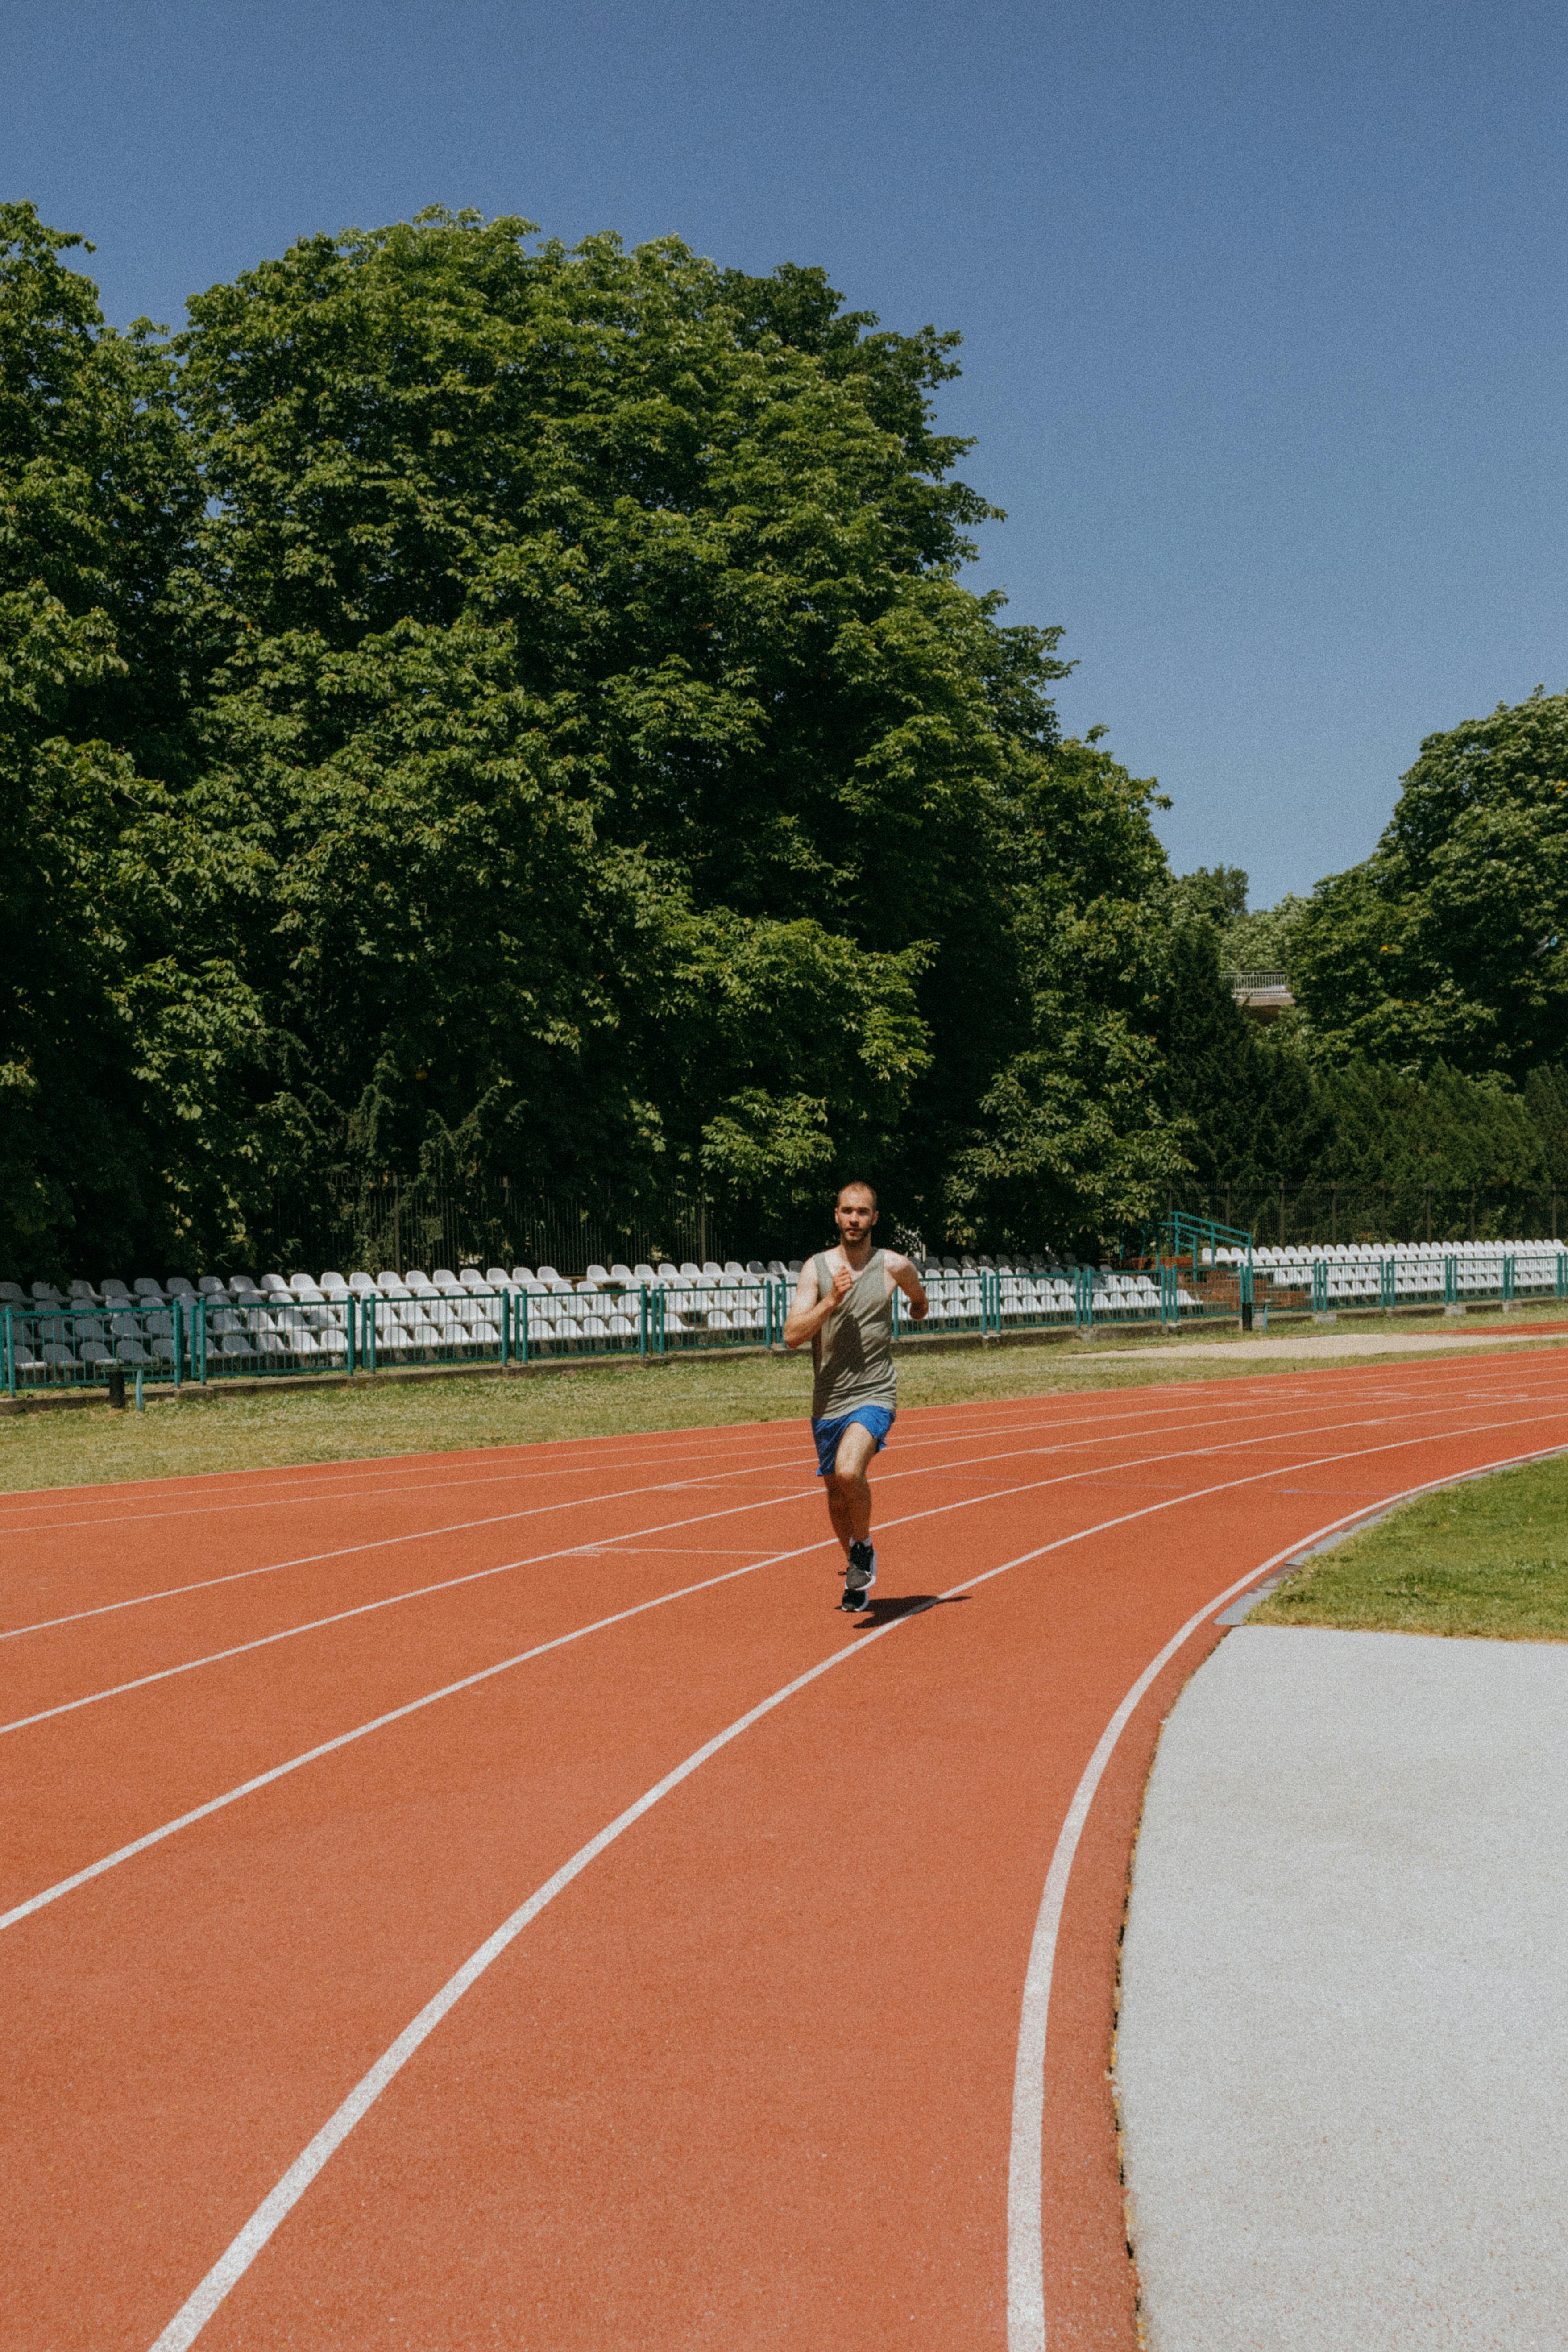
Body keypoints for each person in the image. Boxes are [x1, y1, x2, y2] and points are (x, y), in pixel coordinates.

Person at [783, 1180, 929, 1610]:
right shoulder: (817, 1268)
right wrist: (831, 1300)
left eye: (862, 1212)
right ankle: (855, 1570)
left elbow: (918, 1299)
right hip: (828, 1399)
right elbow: (792, 1335)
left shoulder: (894, 1266)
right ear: (836, 1215)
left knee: (849, 1473)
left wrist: (917, 1307)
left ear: (874, 1218)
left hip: (875, 1392)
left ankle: (863, 1547)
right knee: (834, 1494)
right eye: (847, 1211)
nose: (854, 1219)